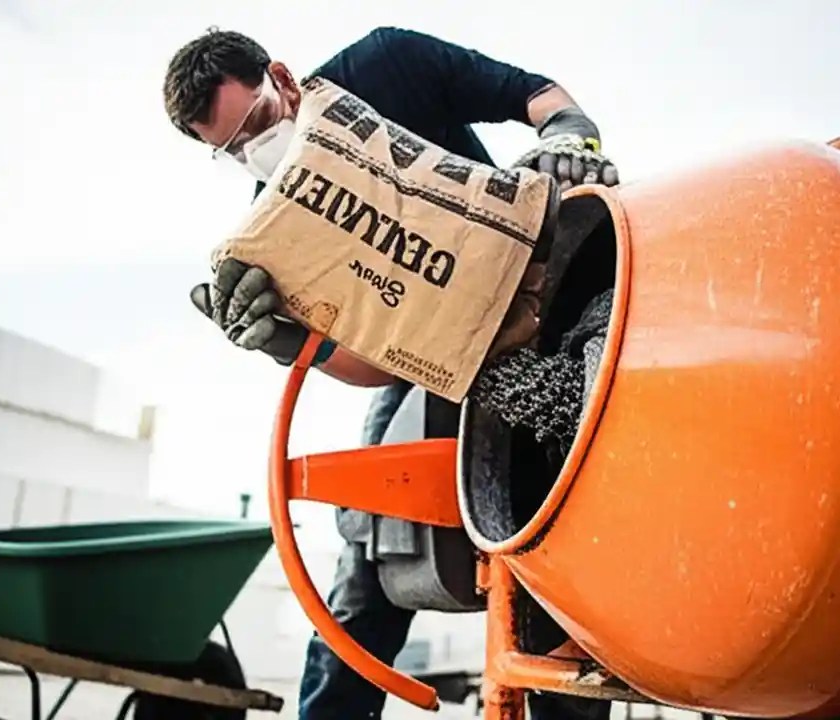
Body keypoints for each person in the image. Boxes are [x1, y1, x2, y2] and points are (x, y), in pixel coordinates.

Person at [163, 26, 620, 719]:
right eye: (233, 150)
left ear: (281, 80)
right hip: (422, 366)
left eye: (258, 123)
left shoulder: (388, 66)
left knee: (562, 559)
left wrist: (568, 134)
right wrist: (288, 342)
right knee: (371, 561)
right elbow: (374, 367)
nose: (257, 151)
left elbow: (534, 96)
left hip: (539, 317)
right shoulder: (273, 227)